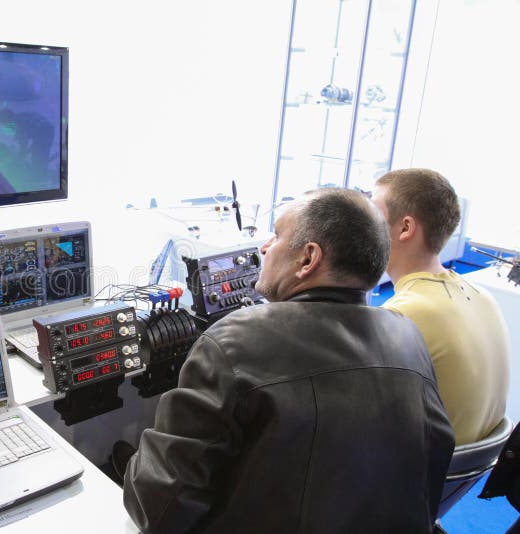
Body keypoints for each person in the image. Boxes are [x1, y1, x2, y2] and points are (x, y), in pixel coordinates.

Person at [122, 188, 454, 533]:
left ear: (308, 259)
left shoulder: (233, 341)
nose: (264, 247)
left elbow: (157, 509)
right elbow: (435, 462)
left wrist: (142, 455)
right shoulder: (408, 336)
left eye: (277, 235)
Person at [372, 168, 510, 445]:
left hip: (422, 479)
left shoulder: (404, 314)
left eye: (373, 216)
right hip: (462, 476)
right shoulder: (481, 295)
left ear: (405, 228)